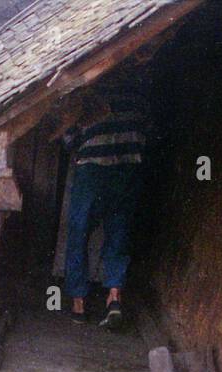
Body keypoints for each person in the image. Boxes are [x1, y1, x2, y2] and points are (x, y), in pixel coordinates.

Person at [52, 78, 148, 331]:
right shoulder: (136, 90)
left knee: (79, 231)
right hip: (129, 167)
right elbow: (146, 132)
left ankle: (78, 303)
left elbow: (69, 140)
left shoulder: (83, 93)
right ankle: (114, 297)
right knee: (119, 231)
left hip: (93, 171)